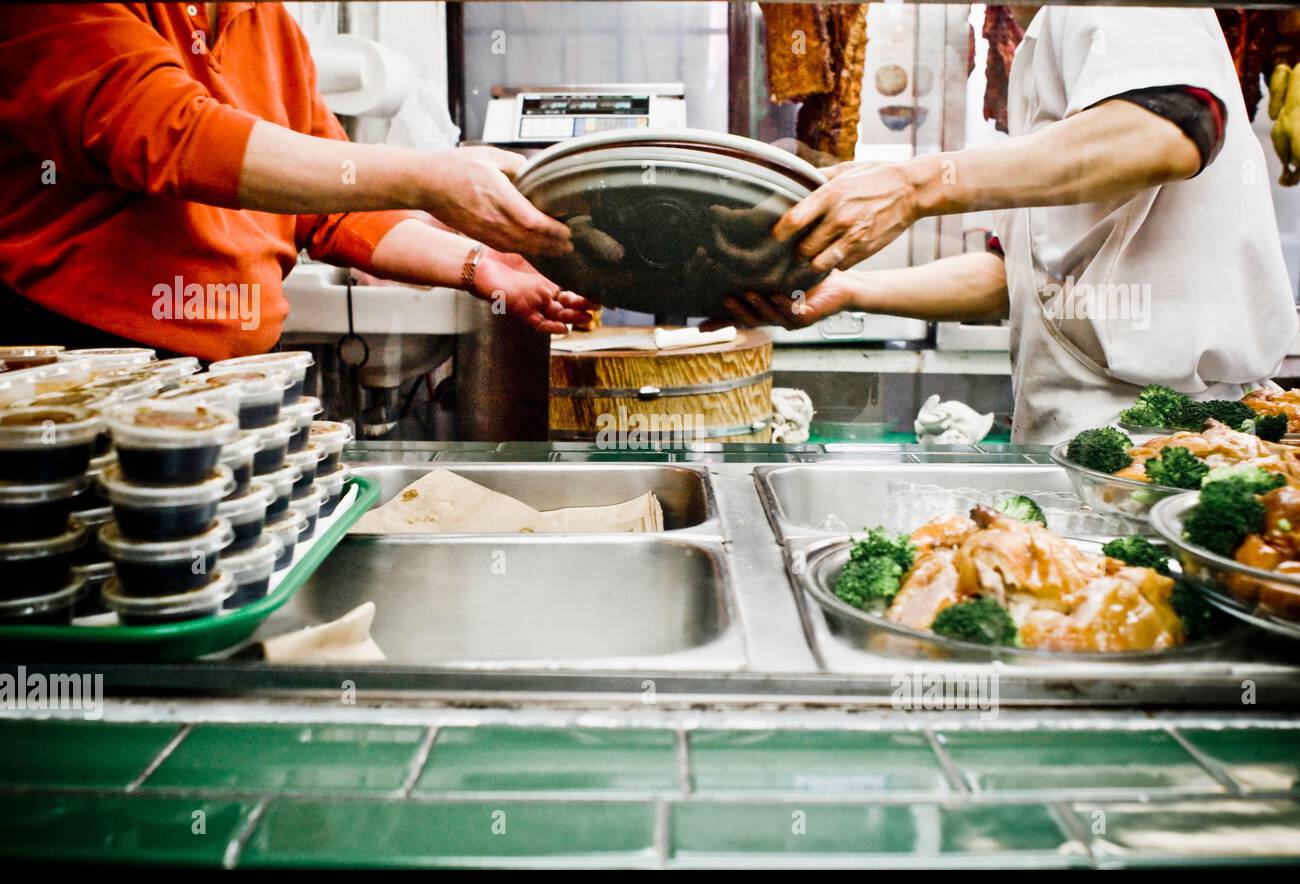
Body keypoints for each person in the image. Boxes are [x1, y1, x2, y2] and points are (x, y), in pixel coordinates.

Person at [731, 4, 1299, 444]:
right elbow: (1017, 279)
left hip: (1168, 444)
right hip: (1093, 442)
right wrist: (852, 291)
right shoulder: (1051, 50)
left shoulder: (1109, 8)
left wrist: (914, 185)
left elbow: (1171, 126)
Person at [0, 3, 593, 360]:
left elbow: (333, 207)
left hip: (233, 375)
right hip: (79, 363)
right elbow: (172, 136)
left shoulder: (268, 22)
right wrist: (432, 175)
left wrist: (481, 262)